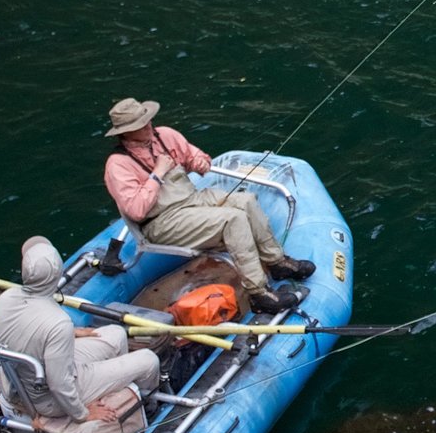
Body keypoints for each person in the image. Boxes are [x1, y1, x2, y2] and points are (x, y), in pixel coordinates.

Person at [102, 97, 313, 313]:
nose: (148, 126)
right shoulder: (118, 165)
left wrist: (200, 162)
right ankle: (259, 294)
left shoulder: (165, 135)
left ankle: (276, 262)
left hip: (192, 199)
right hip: (162, 221)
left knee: (245, 201)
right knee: (233, 219)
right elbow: (137, 211)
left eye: (147, 120)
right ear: (125, 133)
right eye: (140, 125)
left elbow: (195, 155)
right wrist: (158, 173)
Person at [0, 236, 162, 433]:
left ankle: (112, 389)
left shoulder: (6, 298)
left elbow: (30, 332)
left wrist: (73, 333)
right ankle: (150, 409)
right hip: (50, 400)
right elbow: (59, 383)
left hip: (25, 381)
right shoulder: (57, 323)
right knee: (149, 360)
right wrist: (82, 414)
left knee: (116, 334)